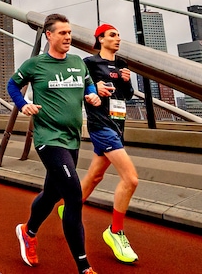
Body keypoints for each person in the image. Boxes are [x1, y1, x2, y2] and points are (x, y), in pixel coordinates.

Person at [7, 13, 100, 274]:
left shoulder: (78, 63)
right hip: (48, 138)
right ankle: (84, 267)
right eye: (62, 33)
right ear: (49, 35)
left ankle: (28, 232)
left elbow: (89, 85)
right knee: (73, 196)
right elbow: (12, 85)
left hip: (72, 138)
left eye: (69, 33)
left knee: (52, 194)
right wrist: (23, 104)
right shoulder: (35, 64)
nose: (68, 37)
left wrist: (92, 96)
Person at [62, 23, 141, 264]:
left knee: (95, 175)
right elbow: (77, 89)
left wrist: (126, 82)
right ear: (100, 39)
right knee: (131, 179)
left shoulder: (122, 64)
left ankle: (69, 209)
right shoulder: (89, 63)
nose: (118, 39)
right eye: (112, 35)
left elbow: (127, 96)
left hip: (118, 124)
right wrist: (94, 87)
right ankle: (115, 232)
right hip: (100, 125)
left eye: (119, 35)